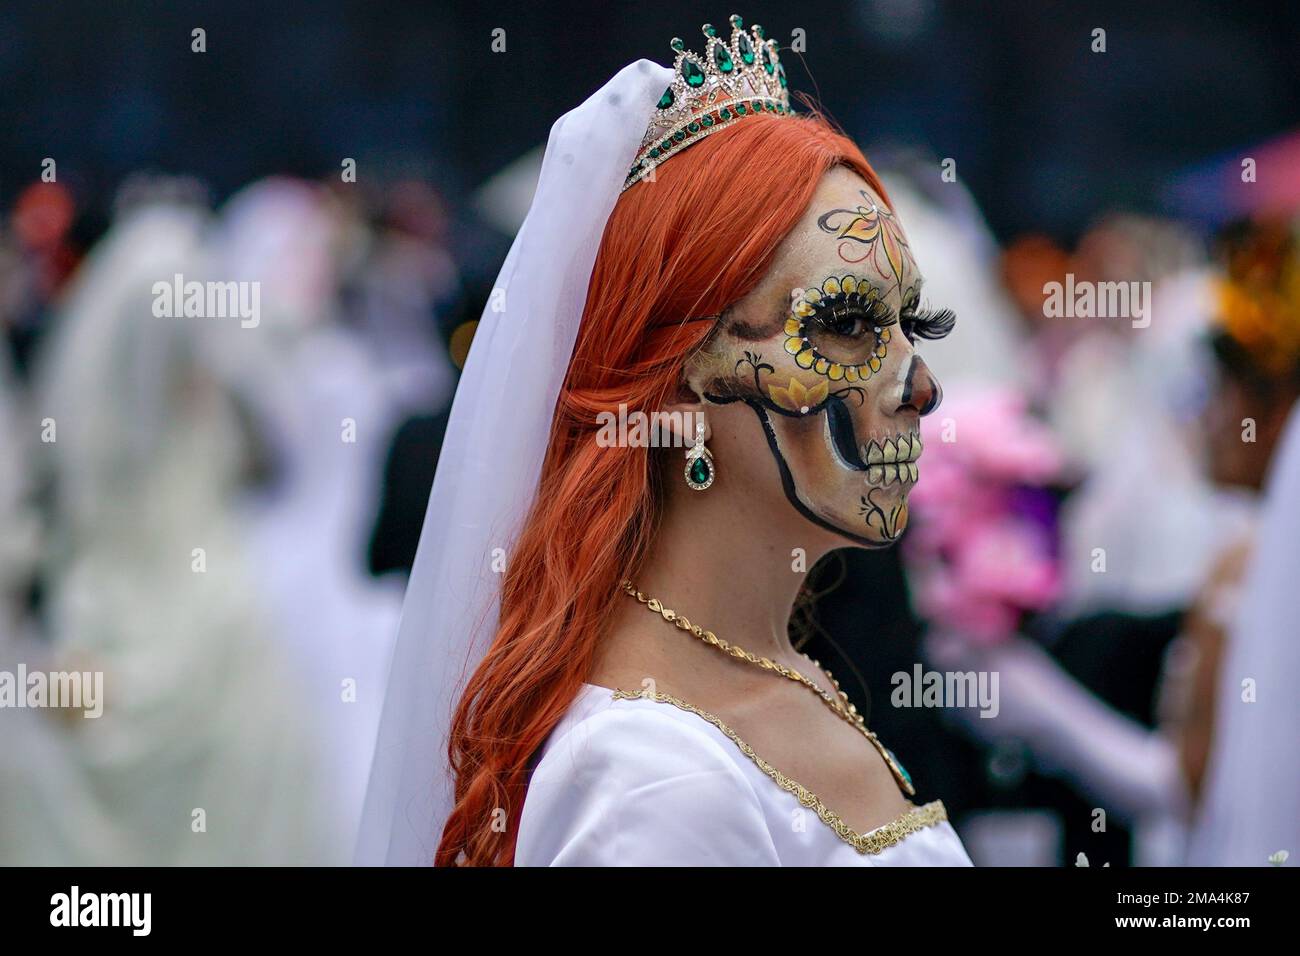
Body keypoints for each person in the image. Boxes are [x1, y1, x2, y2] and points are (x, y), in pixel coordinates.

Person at [359, 16, 972, 867]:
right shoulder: (653, 782)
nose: (922, 387)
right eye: (842, 324)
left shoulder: (786, 670)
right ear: (681, 368)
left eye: (913, 325)